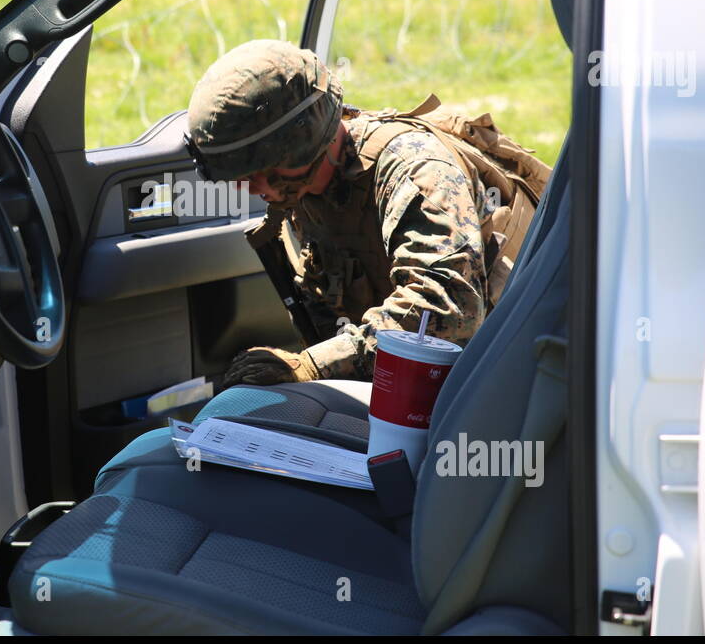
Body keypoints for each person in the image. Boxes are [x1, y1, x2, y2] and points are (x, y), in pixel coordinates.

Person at [184, 39, 550, 385]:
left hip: (507, 375)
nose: (251, 189)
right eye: (239, 177)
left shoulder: (417, 171)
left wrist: (312, 366)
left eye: (261, 171)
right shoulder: (304, 191)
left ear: (304, 143)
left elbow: (445, 312)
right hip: (409, 383)